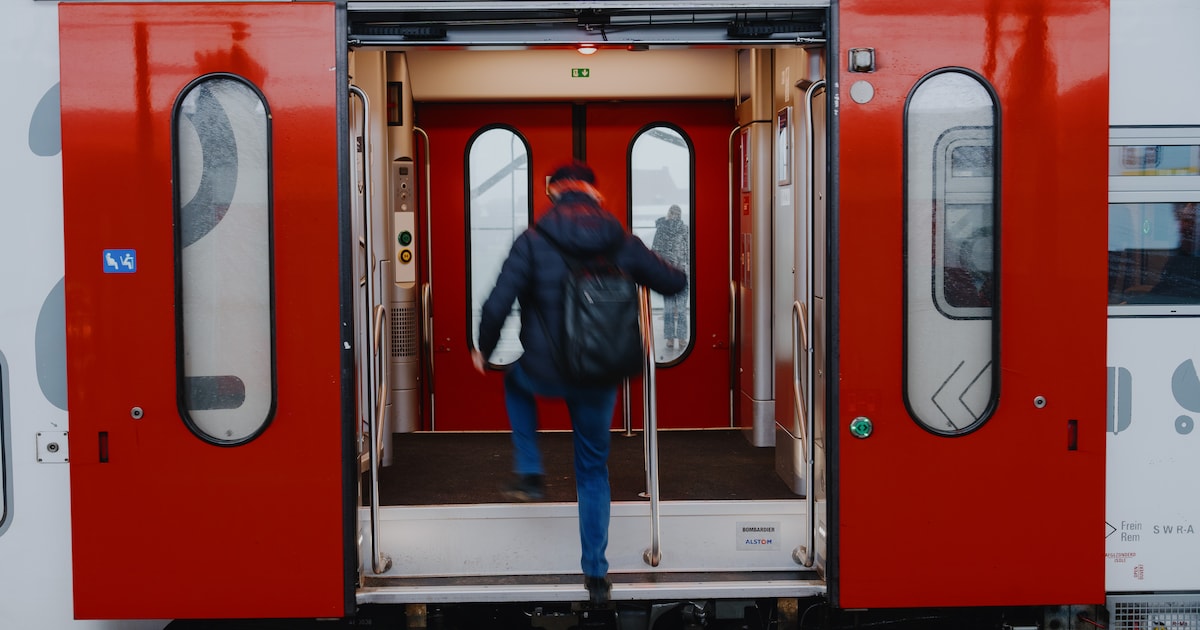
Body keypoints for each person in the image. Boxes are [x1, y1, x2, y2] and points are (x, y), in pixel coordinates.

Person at [471, 161, 686, 606]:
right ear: (593, 194)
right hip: (600, 371)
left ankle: (529, 471)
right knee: (591, 468)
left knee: (515, 383)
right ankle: (596, 575)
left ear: (553, 193)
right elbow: (673, 282)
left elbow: (496, 304)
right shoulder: (622, 242)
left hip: (546, 369)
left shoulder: (533, 240)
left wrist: (483, 351)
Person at [651, 204, 689, 349]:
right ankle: (681, 338)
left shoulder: (661, 230)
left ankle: (670, 339)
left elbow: (655, 252)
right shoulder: (684, 230)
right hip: (682, 272)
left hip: (668, 273)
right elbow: (688, 251)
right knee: (681, 308)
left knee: (668, 308)